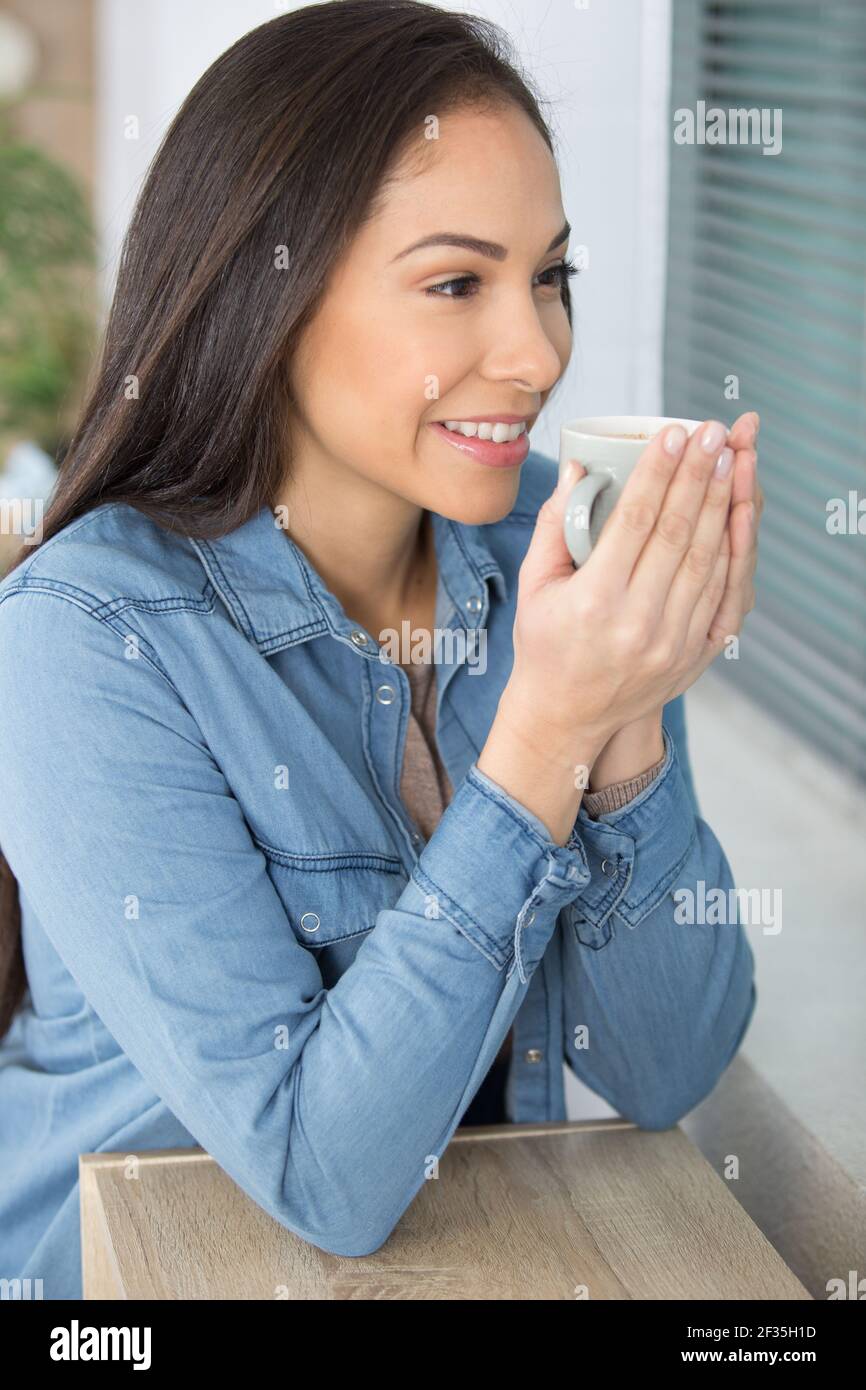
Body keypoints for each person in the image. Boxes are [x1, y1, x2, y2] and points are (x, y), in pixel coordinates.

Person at [0, 0, 761, 1299]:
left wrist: (625, 719)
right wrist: (540, 745)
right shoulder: (85, 641)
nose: (534, 353)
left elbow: (664, 1068)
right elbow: (323, 1175)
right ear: (270, 295)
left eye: (550, 277)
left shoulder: (550, 557)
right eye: (456, 282)